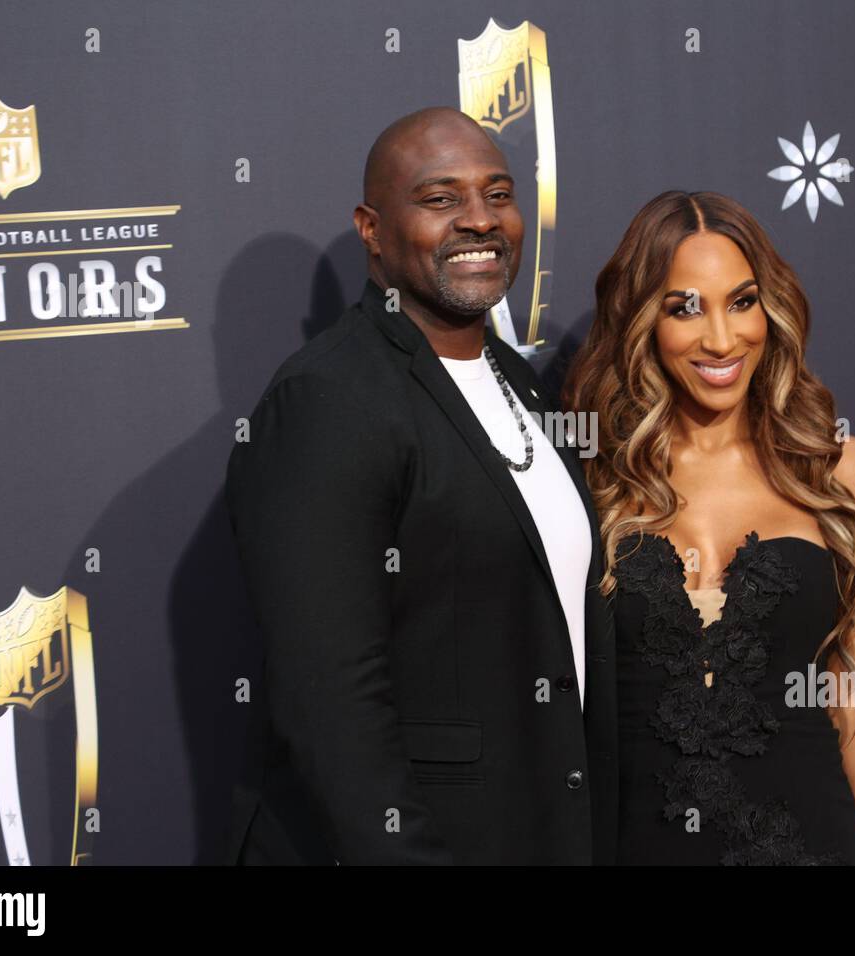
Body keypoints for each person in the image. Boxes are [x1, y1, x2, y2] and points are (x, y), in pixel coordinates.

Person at [224, 107, 616, 864]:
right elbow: (330, 699)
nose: (480, 221)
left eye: (498, 195)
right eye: (441, 200)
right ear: (372, 228)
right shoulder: (328, 400)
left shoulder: (520, 381)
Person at [564, 190, 855, 865]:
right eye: (684, 308)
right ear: (643, 322)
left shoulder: (836, 470)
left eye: (742, 301)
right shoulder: (594, 479)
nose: (722, 339)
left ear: (770, 306)